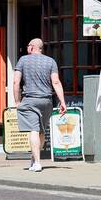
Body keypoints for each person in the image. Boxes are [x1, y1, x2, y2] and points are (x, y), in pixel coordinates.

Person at [12, 37, 67, 172]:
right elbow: (56, 82)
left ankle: (37, 162)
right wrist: (63, 102)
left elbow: (16, 82)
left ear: (31, 47)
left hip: (30, 100)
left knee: (34, 130)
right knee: (41, 131)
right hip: (46, 101)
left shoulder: (23, 60)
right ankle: (35, 158)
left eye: (28, 46)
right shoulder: (51, 61)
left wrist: (17, 101)